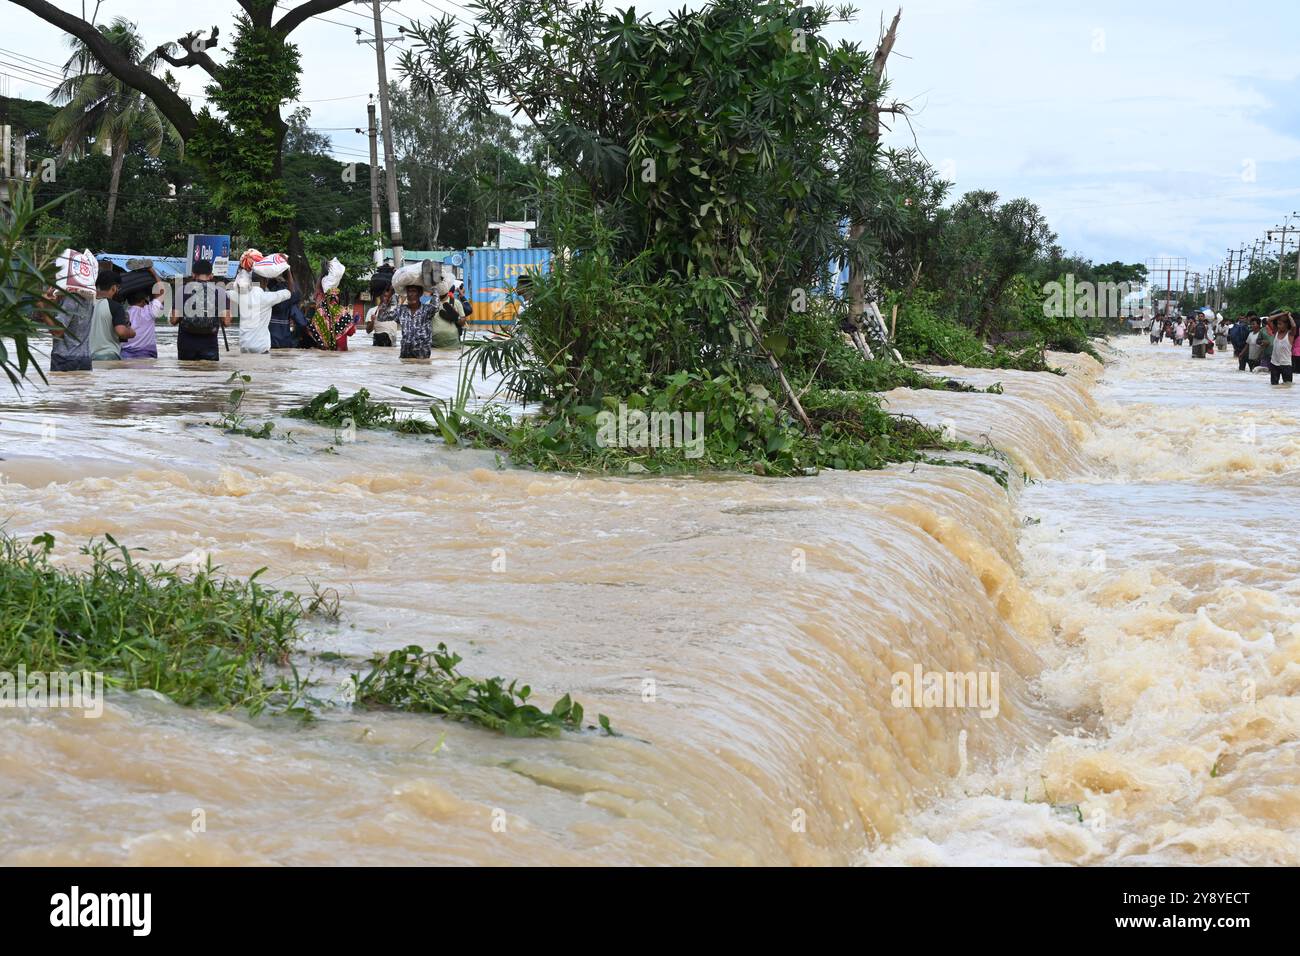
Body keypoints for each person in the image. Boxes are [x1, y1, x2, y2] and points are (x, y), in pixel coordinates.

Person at [171, 259, 229, 361]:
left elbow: (173, 320)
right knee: (208, 375)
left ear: (193, 274)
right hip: (210, 344)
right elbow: (227, 322)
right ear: (211, 275)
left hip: (186, 344)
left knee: (187, 374)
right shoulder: (220, 292)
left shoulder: (182, 291)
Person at [234, 254, 293, 354]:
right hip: (261, 348)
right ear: (265, 281)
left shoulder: (241, 296)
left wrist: (241, 269)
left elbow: (229, 291)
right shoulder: (267, 298)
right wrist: (286, 268)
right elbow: (290, 291)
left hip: (244, 347)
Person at [40, 286, 95, 372]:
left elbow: (58, 332)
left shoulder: (70, 299)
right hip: (84, 357)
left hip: (65, 358)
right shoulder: (89, 296)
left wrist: (42, 310)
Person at [88, 271, 133, 361]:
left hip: (88, 357)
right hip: (109, 355)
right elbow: (121, 332)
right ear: (113, 288)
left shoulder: (86, 305)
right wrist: (132, 332)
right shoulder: (116, 307)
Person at [121, 267, 164, 359]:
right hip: (147, 355)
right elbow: (161, 292)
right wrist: (153, 272)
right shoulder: (150, 311)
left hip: (125, 355)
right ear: (144, 299)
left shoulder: (122, 313)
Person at [1268, 313, 1295, 385]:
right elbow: (1269, 319)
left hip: (1286, 364)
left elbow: (1294, 326)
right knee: (1273, 385)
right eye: (1277, 324)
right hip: (1274, 363)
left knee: (1287, 385)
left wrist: (1289, 316)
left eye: (1280, 324)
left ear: (1286, 325)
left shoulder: (1290, 334)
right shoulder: (1276, 332)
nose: (1278, 326)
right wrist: (1282, 314)